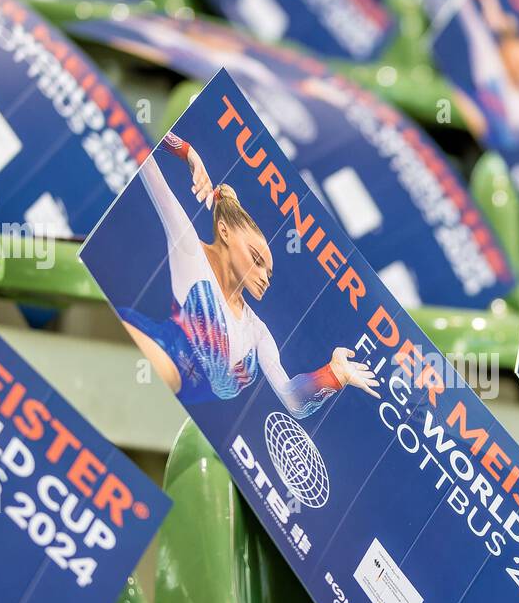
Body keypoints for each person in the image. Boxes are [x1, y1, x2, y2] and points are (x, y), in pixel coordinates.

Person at [119, 133, 380, 413]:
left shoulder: (257, 331)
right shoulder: (192, 252)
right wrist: (189, 153)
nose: (264, 277)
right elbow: (141, 153)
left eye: (269, 273)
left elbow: (294, 401)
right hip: (155, 348)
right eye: (256, 260)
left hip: (169, 397)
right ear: (224, 232)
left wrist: (334, 375)